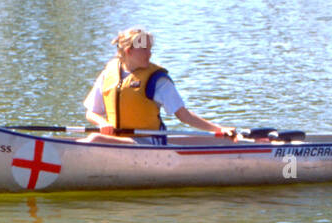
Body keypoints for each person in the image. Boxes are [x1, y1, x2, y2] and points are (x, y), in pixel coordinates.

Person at [81, 28, 235, 144]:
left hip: (149, 144)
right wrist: (103, 123)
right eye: (144, 49)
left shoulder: (158, 80)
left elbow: (185, 116)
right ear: (129, 51)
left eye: (150, 49)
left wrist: (219, 129)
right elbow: (91, 113)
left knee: (94, 139)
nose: (149, 54)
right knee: (94, 139)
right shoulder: (108, 75)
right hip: (118, 141)